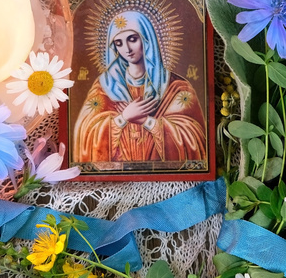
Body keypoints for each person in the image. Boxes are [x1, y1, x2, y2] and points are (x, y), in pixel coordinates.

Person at [74, 10, 206, 165]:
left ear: (147, 39)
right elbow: (86, 133)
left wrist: (146, 120)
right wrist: (124, 118)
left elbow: (194, 136)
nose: (127, 49)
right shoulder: (104, 86)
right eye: (119, 43)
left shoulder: (176, 86)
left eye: (132, 39)